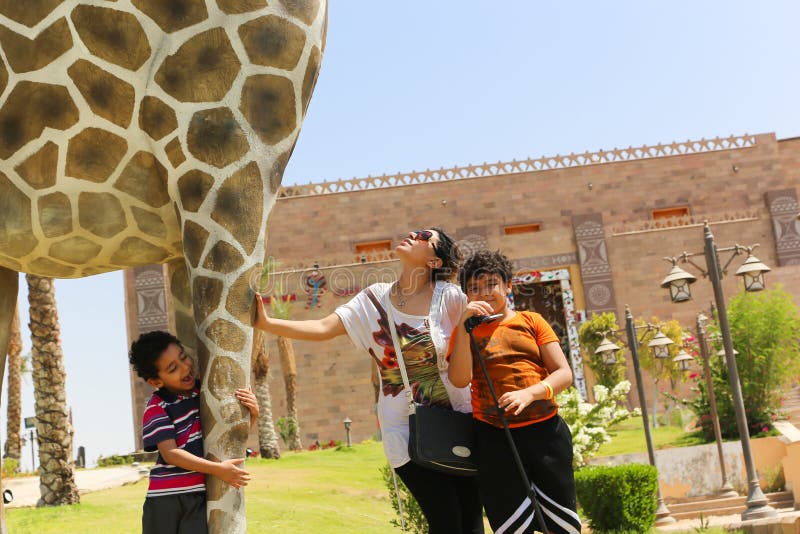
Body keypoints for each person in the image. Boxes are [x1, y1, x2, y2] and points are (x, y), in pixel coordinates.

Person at [253, 228, 484, 534]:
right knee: (445, 520)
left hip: (458, 421)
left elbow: (473, 350)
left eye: (424, 235)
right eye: (413, 231)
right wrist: (267, 324)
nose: (412, 235)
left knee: (470, 520)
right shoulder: (373, 300)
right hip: (404, 431)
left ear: (434, 261)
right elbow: (323, 327)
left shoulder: (451, 299)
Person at [448, 250, 581, 534]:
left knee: (563, 526)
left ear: (508, 285)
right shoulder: (465, 334)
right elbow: (459, 380)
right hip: (494, 439)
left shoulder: (532, 321)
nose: (483, 293)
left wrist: (530, 394)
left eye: (491, 284)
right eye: (474, 288)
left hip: (547, 436)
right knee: (510, 527)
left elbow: (564, 373)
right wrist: (462, 327)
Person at [129, 330, 259, 534]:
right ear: (156, 381)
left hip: (198, 497)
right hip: (164, 500)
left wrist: (252, 415)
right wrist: (218, 469)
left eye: (183, 357)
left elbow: (227, 436)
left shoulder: (206, 393)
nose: (185, 368)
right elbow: (170, 454)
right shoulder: (157, 407)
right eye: (173, 368)